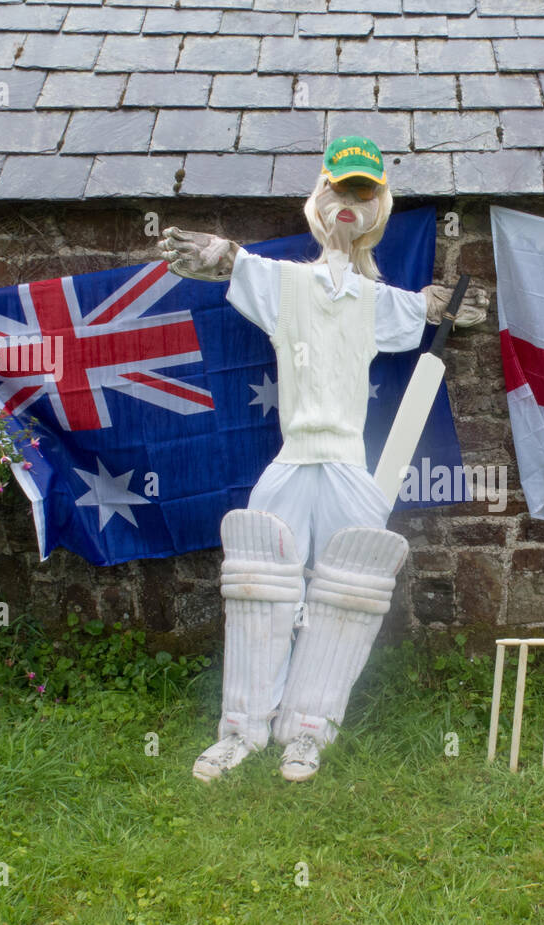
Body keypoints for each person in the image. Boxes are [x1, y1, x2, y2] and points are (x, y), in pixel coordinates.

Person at [157, 136, 487, 782]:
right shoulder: (289, 284)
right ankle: (242, 730)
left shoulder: (374, 300)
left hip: (346, 465)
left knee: (350, 595)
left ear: (378, 207)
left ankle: (307, 731)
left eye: (363, 193)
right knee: (258, 584)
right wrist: (223, 256)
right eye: (340, 190)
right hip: (293, 457)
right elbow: (242, 267)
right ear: (321, 196)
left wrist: (437, 305)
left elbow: (418, 310)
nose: (349, 203)